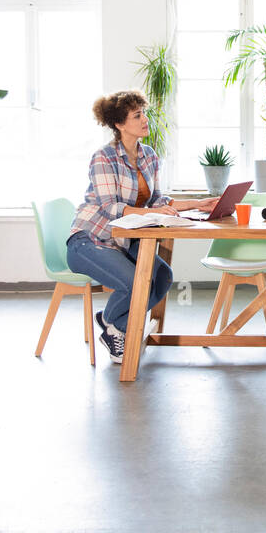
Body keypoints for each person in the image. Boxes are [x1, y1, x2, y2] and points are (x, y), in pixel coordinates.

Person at [67, 90, 216, 363]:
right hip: (90, 240)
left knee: (162, 278)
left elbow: (158, 200)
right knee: (135, 282)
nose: (145, 119)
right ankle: (116, 327)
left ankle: (112, 322)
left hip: (124, 242)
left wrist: (199, 203)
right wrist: (155, 211)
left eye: (143, 113)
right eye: (137, 116)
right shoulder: (103, 157)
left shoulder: (148, 155)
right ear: (119, 124)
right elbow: (109, 207)